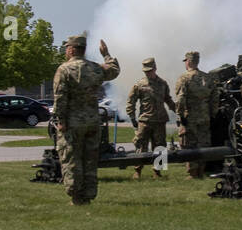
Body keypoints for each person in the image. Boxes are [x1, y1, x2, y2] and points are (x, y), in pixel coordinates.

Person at [52, 34, 119, 204]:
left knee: (71, 159)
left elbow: (60, 97)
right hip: (92, 121)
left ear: (72, 49)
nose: (66, 50)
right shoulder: (95, 68)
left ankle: (76, 196)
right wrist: (106, 53)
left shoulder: (65, 69)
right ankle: (88, 195)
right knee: (90, 159)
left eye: (67, 47)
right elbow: (114, 70)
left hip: (72, 123)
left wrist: (60, 120)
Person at [126, 57, 176, 180]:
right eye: (146, 71)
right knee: (140, 146)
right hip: (145, 121)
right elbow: (131, 101)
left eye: (150, 70)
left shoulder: (163, 84)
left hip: (160, 120)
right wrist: (132, 116)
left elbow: (168, 99)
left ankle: (157, 172)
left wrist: (177, 110)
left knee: (160, 147)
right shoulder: (139, 85)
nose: (148, 73)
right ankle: (137, 170)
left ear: (155, 68)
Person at [173, 50, 216, 179]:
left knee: (188, 144)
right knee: (203, 144)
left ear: (189, 62)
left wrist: (180, 116)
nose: (185, 63)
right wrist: (212, 114)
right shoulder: (208, 78)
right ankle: (201, 171)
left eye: (185, 61)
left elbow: (180, 99)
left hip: (189, 117)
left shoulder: (184, 78)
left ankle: (192, 173)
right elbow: (215, 99)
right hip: (205, 117)